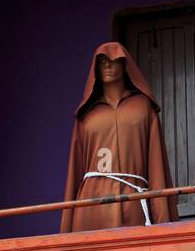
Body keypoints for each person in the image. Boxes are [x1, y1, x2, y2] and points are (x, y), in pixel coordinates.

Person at [60, 41, 178, 233]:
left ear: (125, 66)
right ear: (95, 69)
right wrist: (66, 229)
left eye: (114, 60)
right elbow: (75, 172)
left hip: (134, 205)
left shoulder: (143, 108)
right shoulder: (86, 116)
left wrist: (163, 221)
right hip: (91, 209)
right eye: (102, 61)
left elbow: (156, 165)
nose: (107, 65)